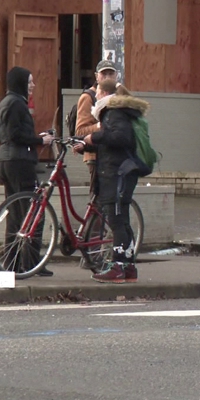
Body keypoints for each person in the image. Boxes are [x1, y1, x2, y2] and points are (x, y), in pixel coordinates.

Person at [79, 79, 150, 283]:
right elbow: (113, 145)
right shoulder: (118, 112)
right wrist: (87, 147)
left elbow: (120, 138)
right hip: (120, 172)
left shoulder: (113, 112)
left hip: (117, 174)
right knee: (122, 220)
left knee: (117, 220)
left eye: (97, 92)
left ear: (102, 93)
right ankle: (128, 267)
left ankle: (117, 266)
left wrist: (95, 138)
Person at [0, 66, 55, 276]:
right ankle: (31, 263)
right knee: (33, 211)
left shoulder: (6, 102)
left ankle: (12, 263)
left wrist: (35, 137)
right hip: (20, 162)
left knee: (15, 214)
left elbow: (9, 133)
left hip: (6, 160)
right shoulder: (16, 104)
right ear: (20, 83)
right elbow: (15, 134)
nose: (33, 86)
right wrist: (40, 140)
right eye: (29, 82)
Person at [74, 60, 120, 189]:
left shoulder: (118, 96)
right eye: (103, 74)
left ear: (116, 75)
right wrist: (101, 125)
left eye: (110, 74)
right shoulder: (88, 97)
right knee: (98, 197)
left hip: (112, 155)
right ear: (96, 76)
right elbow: (80, 131)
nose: (107, 78)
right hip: (95, 156)